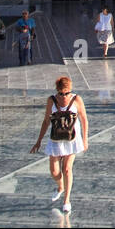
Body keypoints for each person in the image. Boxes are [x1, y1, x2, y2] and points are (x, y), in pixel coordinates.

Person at [30, 76, 88, 215]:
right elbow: (45, 121)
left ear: (70, 90)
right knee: (55, 171)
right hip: (56, 139)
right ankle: (60, 186)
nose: (64, 96)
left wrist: (85, 139)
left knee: (67, 169)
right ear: (57, 91)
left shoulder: (77, 100)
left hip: (72, 138)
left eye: (66, 93)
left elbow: (84, 119)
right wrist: (38, 141)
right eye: (61, 93)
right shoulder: (52, 100)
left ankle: (66, 200)